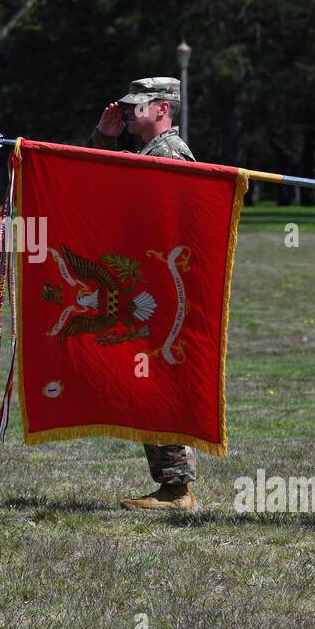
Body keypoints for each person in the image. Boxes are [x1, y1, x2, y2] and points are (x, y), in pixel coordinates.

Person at [89, 77, 198, 512]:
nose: (129, 112)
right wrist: (103, 138)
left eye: (138, 106)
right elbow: (95, 182)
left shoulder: (170, 154)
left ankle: (177, 488)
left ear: (162, 109)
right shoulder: (147, 153)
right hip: (146, 283)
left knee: (158, 384)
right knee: (145, 382)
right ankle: (172, 484)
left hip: (162, 287)